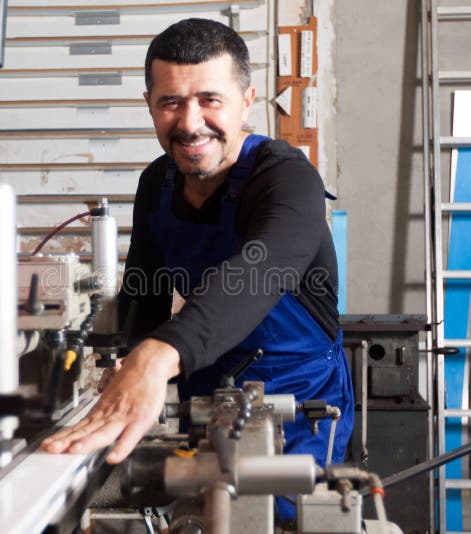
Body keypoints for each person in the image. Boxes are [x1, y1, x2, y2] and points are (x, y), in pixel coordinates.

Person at [42, 18, 354, 522]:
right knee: (201, 514)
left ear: (246, 100)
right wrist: (126, 361)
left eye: (210, 100)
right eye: (171, 102)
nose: (190, 123)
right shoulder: (157, 183)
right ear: (149, 104)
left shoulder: (287, 180)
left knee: (276, 522)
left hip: (300, 410)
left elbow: (256, 274)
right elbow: (145, 291)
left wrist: (156, 359)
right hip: (204, 400)